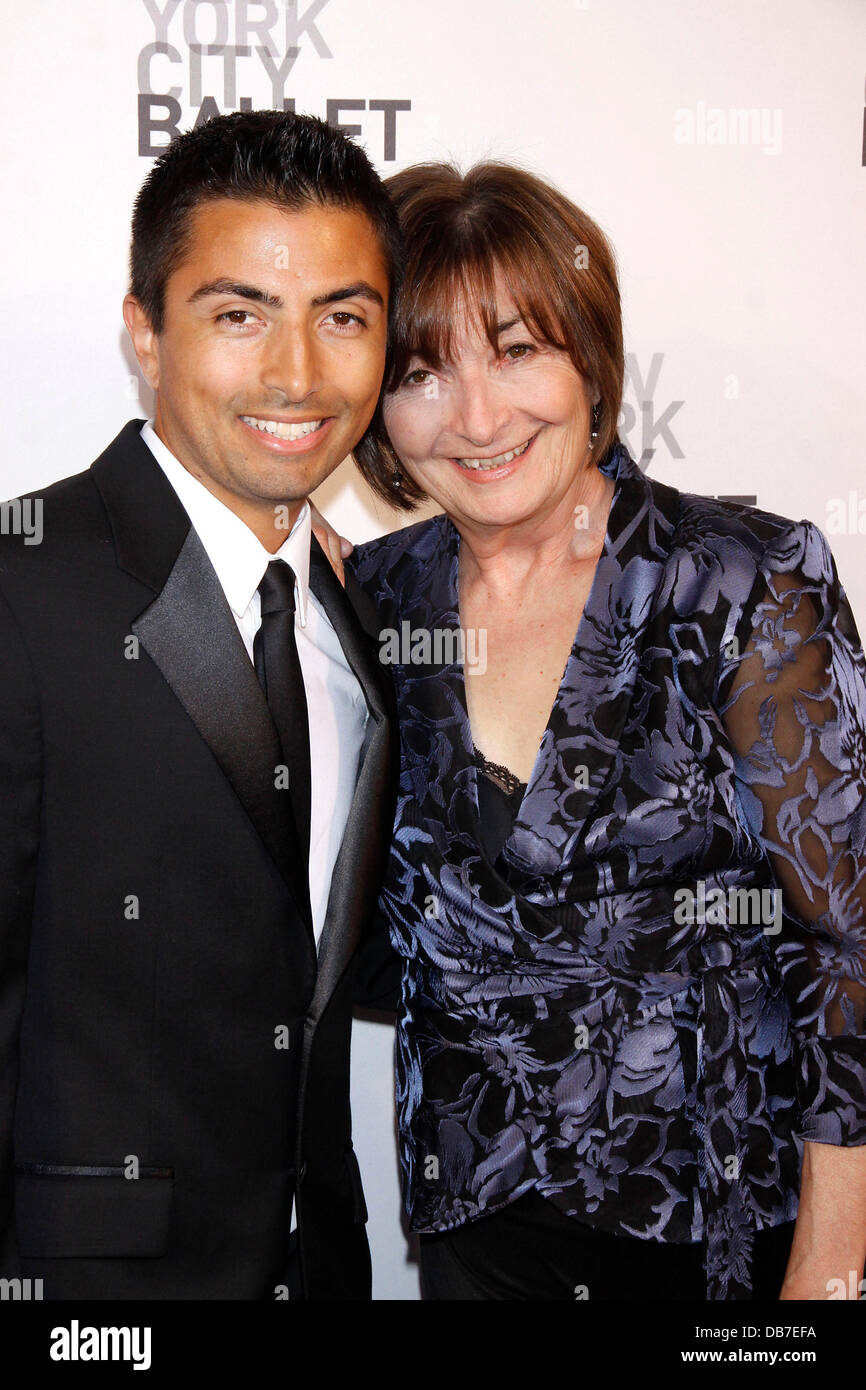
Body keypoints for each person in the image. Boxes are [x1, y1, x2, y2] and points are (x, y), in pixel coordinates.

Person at [346, 161, 866, 1299]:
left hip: (721, 1233)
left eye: (517, 349)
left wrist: (830, 1265)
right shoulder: (374, 601)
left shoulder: (739, 581)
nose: (476, 417)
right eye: (422, 371)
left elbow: (846, 946)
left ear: (589, 356)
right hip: (479, 1229)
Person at [0, 110, 400, 1300]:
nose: (297, 375)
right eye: (239, 315)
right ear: (145, 333)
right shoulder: (26, 584)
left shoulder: (358, 615)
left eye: (343, 318)